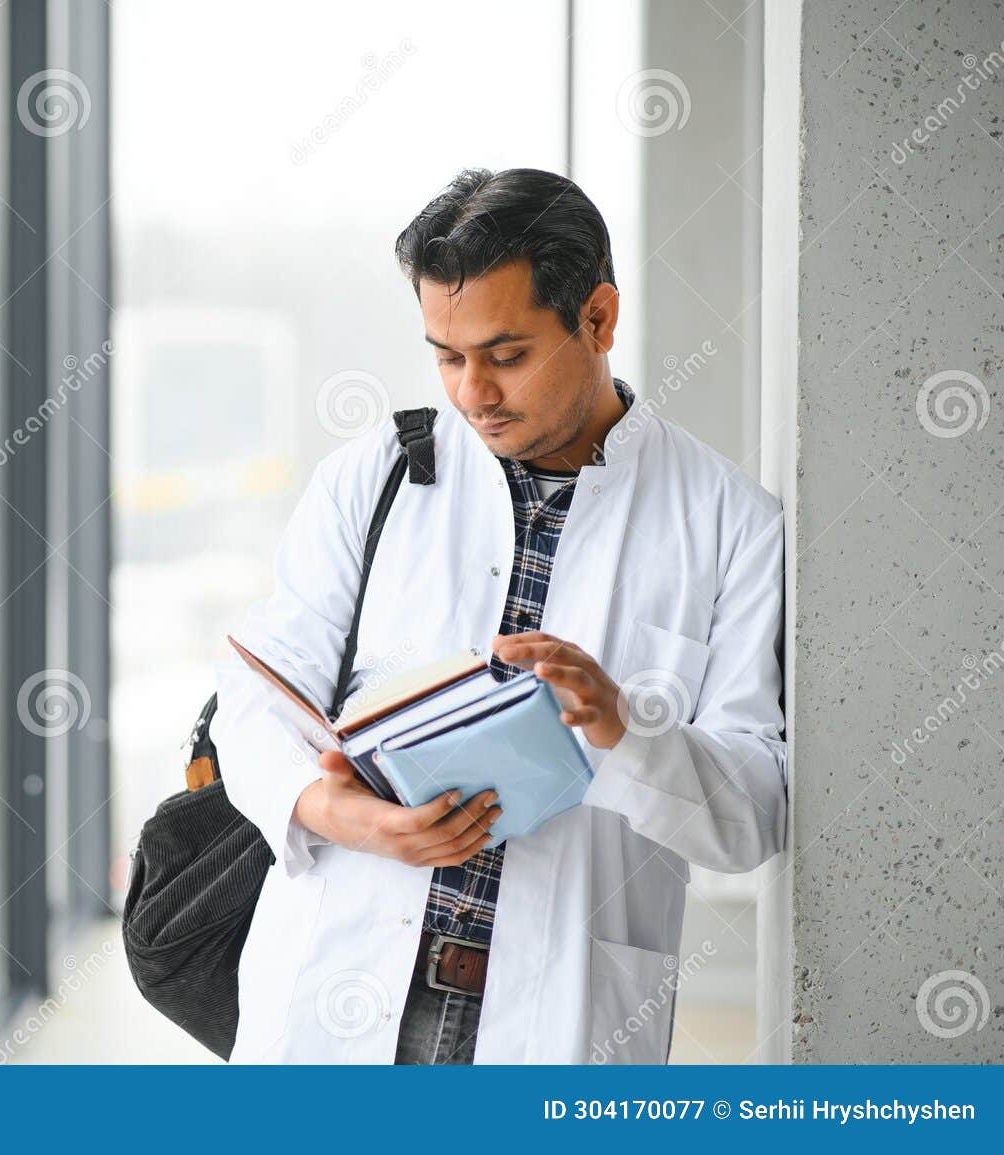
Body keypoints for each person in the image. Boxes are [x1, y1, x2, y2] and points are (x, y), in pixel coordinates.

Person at [213, 167, 786, 1064]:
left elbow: (754, 813)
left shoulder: (731, 525)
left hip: (556, 1022)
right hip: (340, 987)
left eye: (506, 354)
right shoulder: (376, 476)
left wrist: (622, 732)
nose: (471, 392)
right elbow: (254, 704)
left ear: (597, 319)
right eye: (448, 355)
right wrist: (346, 815)